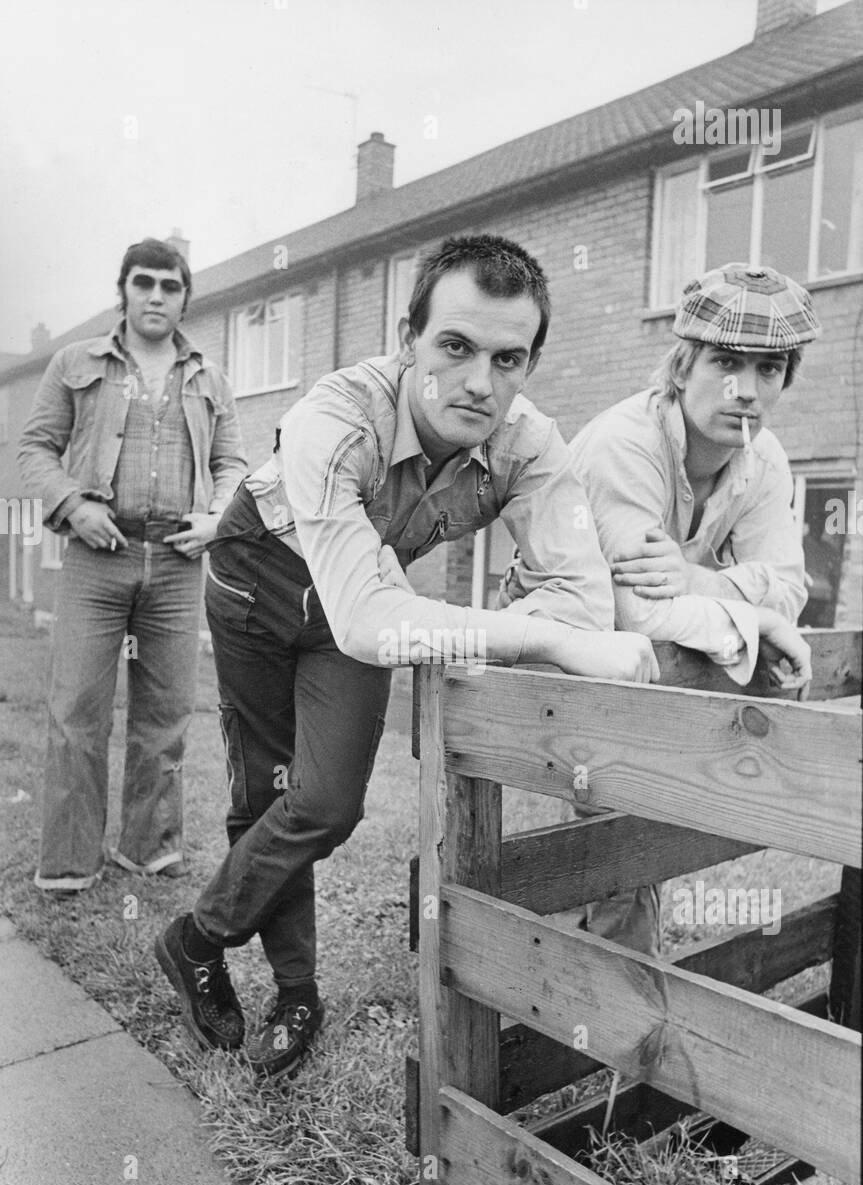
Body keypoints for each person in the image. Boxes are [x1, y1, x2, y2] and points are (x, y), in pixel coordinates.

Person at [154, 233, 659, 1076]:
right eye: (454, 347)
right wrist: (544, 634)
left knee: (325, 803)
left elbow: (580, 596)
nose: (478, 382)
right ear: (407, 338)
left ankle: (194, 938)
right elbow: (376, 622)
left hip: (370, 591)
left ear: (530, 363)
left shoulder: (531, 444)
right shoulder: (335, 412)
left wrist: (568, 622)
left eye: (508, 359)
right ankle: (296, 991)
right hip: (261, 576)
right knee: (264, 792)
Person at [503, 262, 817, 954]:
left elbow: (792, 585)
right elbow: (631, 616)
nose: (746, 391)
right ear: (681, 365)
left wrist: (694, 580)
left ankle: (594, 965)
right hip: (556, 633)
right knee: (615, 803)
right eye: (725, 362)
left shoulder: (761, 458)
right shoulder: (625, 444)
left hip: (661, 647)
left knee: (651, 811)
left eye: (769, 370)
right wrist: (755, 617)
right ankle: (602, 994)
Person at [18, 237, 248, 891]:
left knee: (166, 713)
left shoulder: (209, 376)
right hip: (96, 557)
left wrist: (217, 519)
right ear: (123, 290)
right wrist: (71, 503)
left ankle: (147, 848)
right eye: (143, 282)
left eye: (169, 285)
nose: (155, 295)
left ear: (184, 297)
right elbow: (35, 448)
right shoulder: (75, 361)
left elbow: (233, 464)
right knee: (76, 710)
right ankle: (67, 861)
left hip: (177, 561)